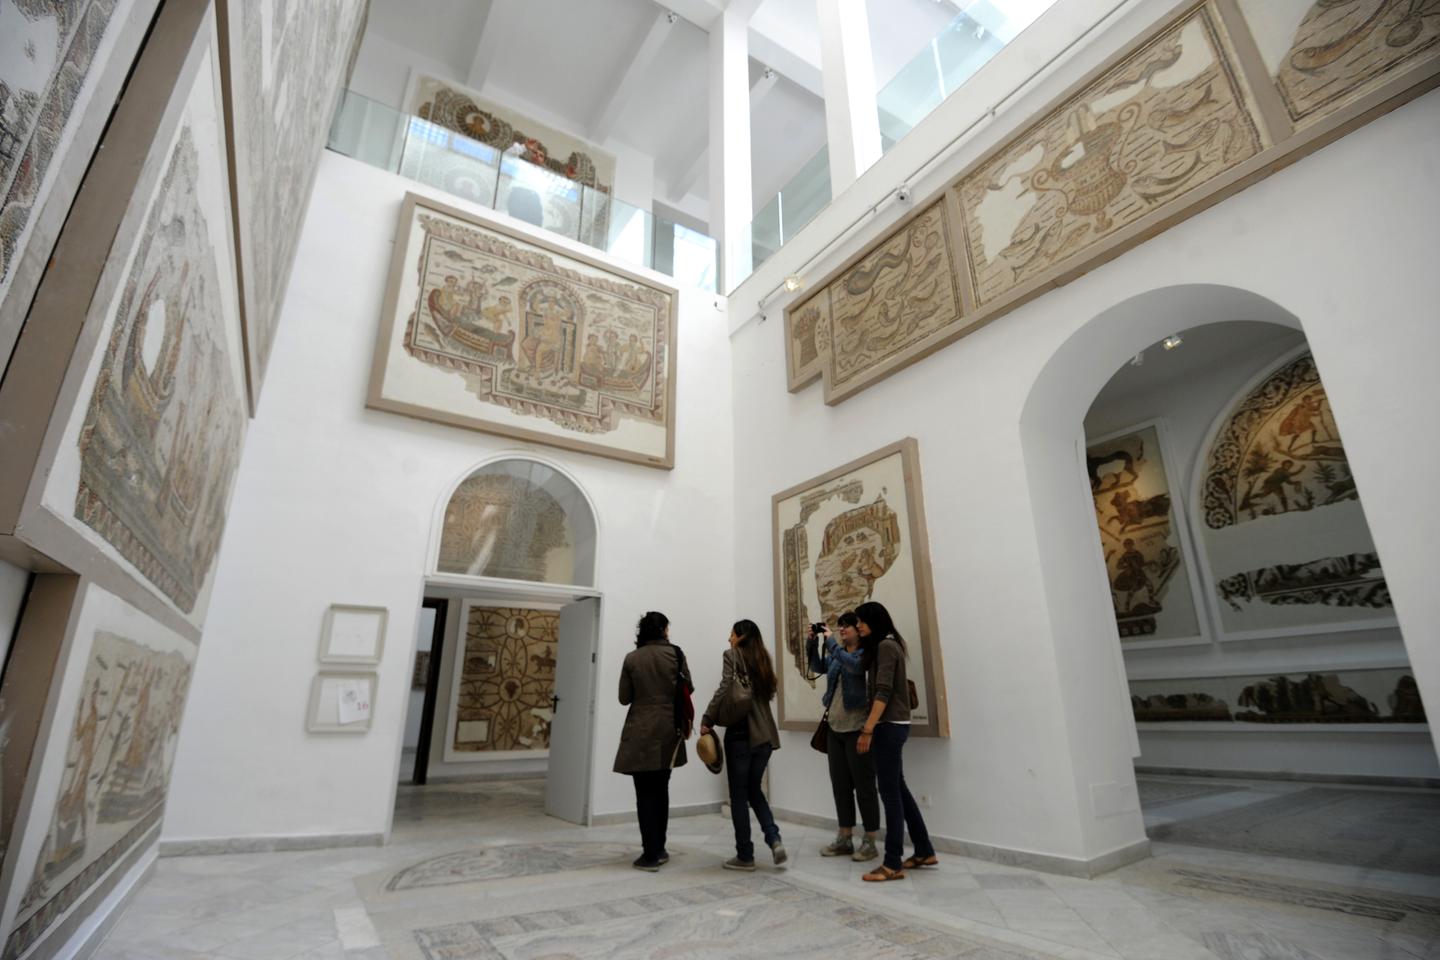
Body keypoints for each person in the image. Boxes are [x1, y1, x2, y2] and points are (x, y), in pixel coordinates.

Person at [854, 601, 936, 881]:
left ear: (875, 621)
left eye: (861, 621)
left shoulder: (886, 647)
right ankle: (924, 850)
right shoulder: (884, 646)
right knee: (898, 789)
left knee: (889, 794)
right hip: (891, 726)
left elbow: (883, 691)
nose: (858, 626)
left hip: (888, 727)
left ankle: (892, 863)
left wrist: (867, 729)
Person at [701, 619, 785, 871]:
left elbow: (725, 687)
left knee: (738, 795)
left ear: (740, 636)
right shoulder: (763, 659)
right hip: (765, 736)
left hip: (741, 734)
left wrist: (708, 718)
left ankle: (745, 855)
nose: (729, 639)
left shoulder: (732, 655)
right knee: (754, 790)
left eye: (732, 634)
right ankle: (774, 839)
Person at [614, 611, 692, 871]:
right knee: (661, 789)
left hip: (640, 729)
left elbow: (624, 697)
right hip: (669, 728)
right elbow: (689, 687)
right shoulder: (676, 654)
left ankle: (650, 854)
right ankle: (660, 848)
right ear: (664, 629)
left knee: (644, 792)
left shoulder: (632, 658)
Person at [806, 612, 879, 861]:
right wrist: (812, 642)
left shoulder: (864, 655)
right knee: (840, 786)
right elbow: (817, 667)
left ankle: (870, 841)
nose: (842, 629)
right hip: (834, 728)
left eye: (847, 626)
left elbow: (854, 666)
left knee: (865, 787)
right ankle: (844, 838)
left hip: (857, 728)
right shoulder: (837, 655)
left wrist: (831, 643)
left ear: (859, 630)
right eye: (840, 626)